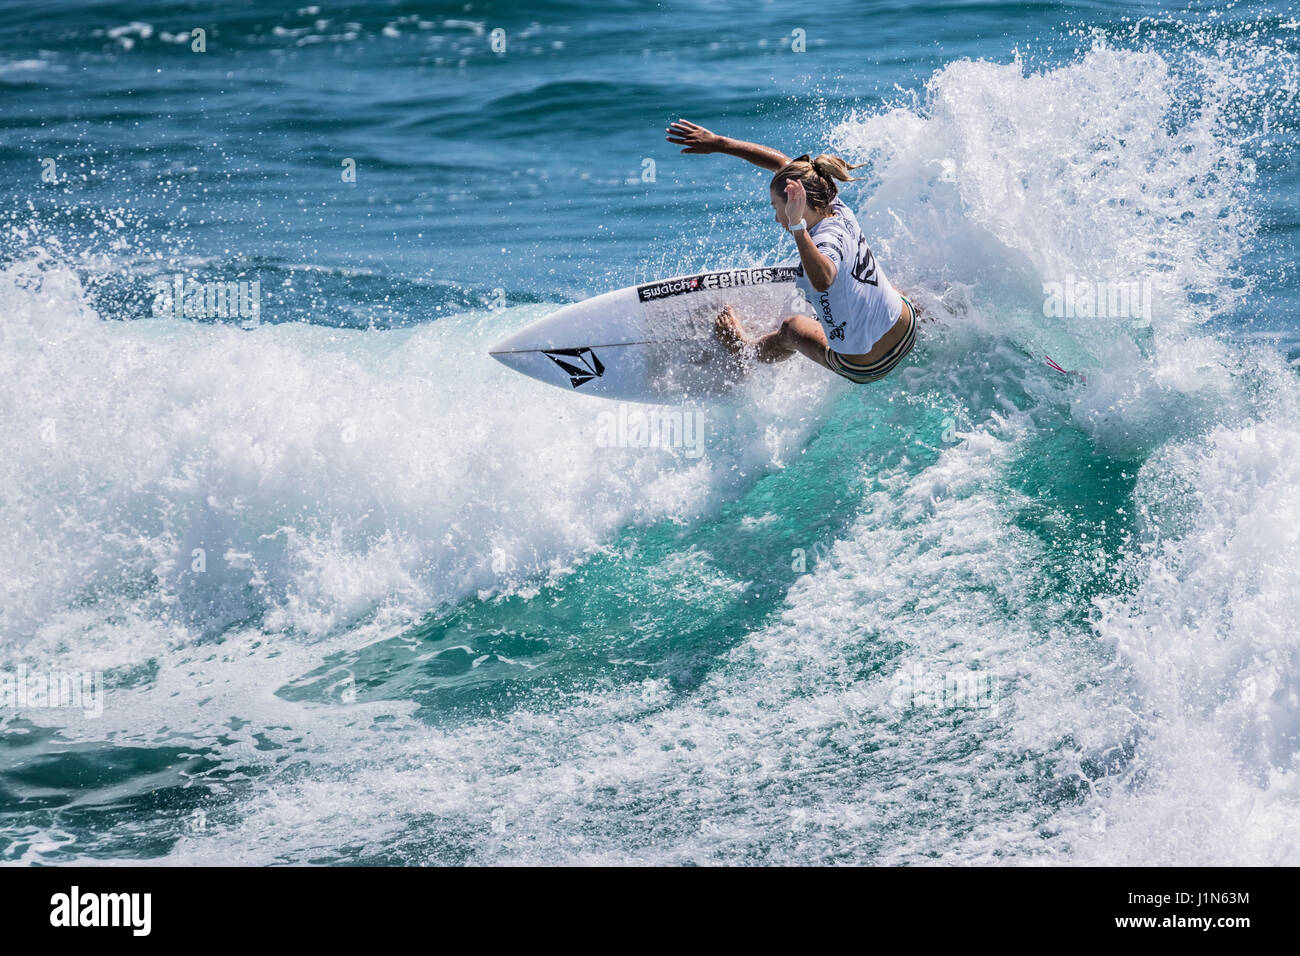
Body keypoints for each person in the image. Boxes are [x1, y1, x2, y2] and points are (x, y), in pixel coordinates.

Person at [667, 119, 918, 384]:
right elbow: (784, 166)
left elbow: (823, 280)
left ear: (796, 204)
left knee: (790, 329)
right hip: (906, 328)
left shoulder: (825, 240)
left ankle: (745, 350)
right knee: (882, 285)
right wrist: (720, 143)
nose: (777, 217)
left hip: (868, 365)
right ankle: (929, 314)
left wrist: (798, 227)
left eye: (777, 207)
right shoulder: (830, 200)